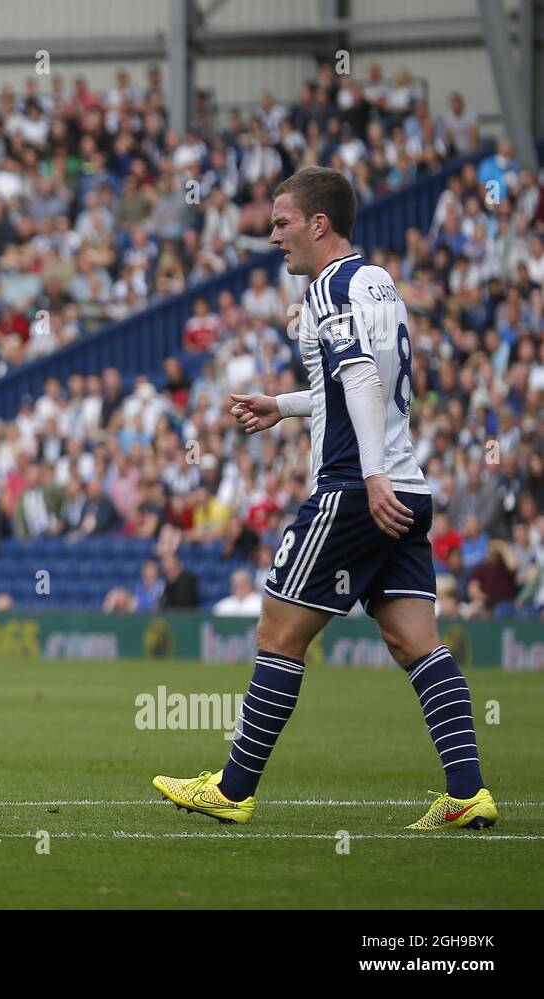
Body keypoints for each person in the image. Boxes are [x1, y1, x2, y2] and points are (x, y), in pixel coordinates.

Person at [154, 166, 496, 831]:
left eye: (281, 222)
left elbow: (363, 376)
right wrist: (283, 406)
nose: (272, 234)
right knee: (414, 640)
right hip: (407, 486)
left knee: (278, 631)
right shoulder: (377, 282)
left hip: (354, 487)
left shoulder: (328, 287)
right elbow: (363, 380)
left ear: (319, 224)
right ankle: (467, 793)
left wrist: (366, 475)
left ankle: (232, 788)